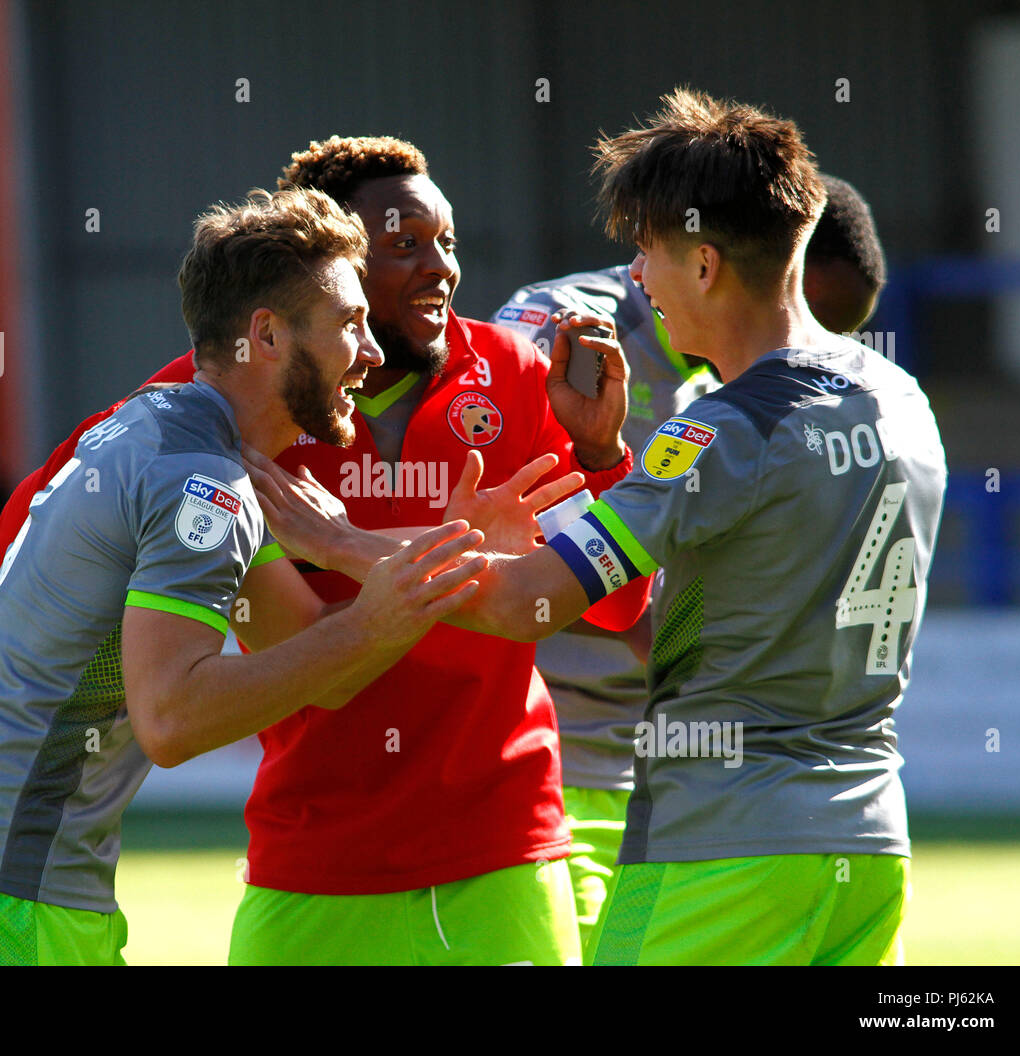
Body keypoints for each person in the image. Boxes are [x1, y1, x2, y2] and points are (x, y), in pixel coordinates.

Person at [256, 90, 946, 966]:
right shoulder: (898, 397)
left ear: (702, 265)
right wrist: (603, 460)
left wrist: (337, 543)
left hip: (724, 844)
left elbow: (524, 605)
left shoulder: (717, 432)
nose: (637, 281)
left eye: (647, 254)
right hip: (869, 839)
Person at [0, 135, 649, 965]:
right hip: (312, 856)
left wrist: (600, 458)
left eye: (445, 240)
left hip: (501, 850)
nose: (440, 267)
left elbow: (620, 609)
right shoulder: (226, 399)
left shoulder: (514, 375)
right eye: (403, 244)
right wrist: (212, 591)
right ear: (329, 270)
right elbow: (28, 528)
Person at [0, 186, 488, 965]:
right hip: (11, 890)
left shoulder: (174, 435)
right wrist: (378, 619)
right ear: (266, 335)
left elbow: (308, 654)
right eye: (349, 322)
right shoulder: (202, 481)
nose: (370, 351)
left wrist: (436, 557)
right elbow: (170, 719)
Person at [487, 173, 889, 961]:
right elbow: (501, 534)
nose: (809, 355)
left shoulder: (771, 398)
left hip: (699, 773)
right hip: (560, 755)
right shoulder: (561, 337)